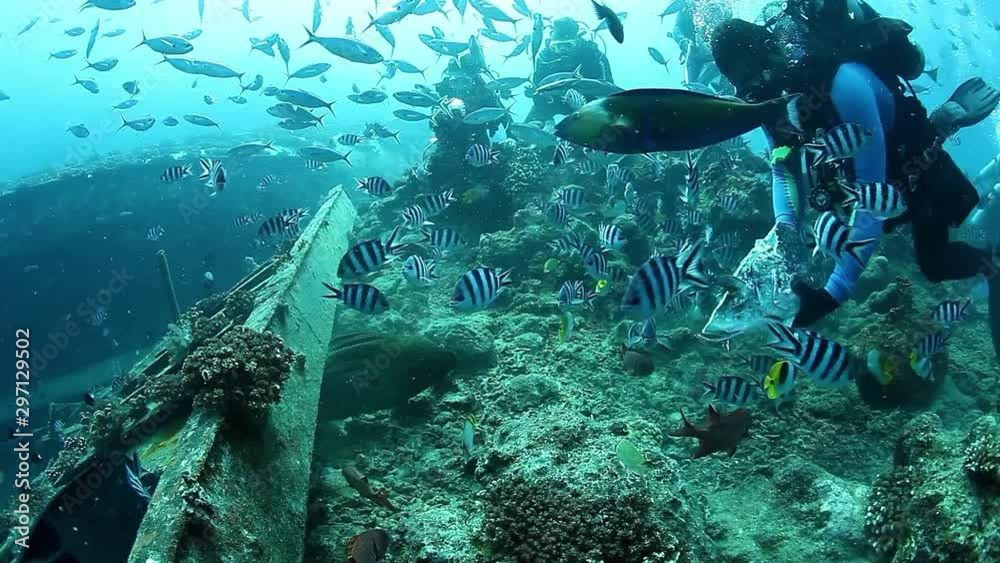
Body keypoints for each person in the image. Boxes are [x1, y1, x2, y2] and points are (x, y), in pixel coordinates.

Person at [710, 0, 1000, 358]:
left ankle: (946, 125)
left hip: (918, 162)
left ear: (772, 52)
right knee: (908, 233)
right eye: (742, 83)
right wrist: (786, 228)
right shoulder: (771, 105)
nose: (754, 87)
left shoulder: (843, 82)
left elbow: (873, 195)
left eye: (753, 73)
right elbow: (782, 164)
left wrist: (835, 290)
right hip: (871, 182)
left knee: (942, 257)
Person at [526, 17, 615, 123]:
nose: (563, 50)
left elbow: (609, 89)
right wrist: (534, 94)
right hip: (554, 101)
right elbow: (539, 88)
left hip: (591, 101)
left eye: (568, 45)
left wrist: (584, 106)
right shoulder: (545, 57)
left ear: (577, 40)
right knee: (528, 129)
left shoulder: (593, 54)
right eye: (558, 46)